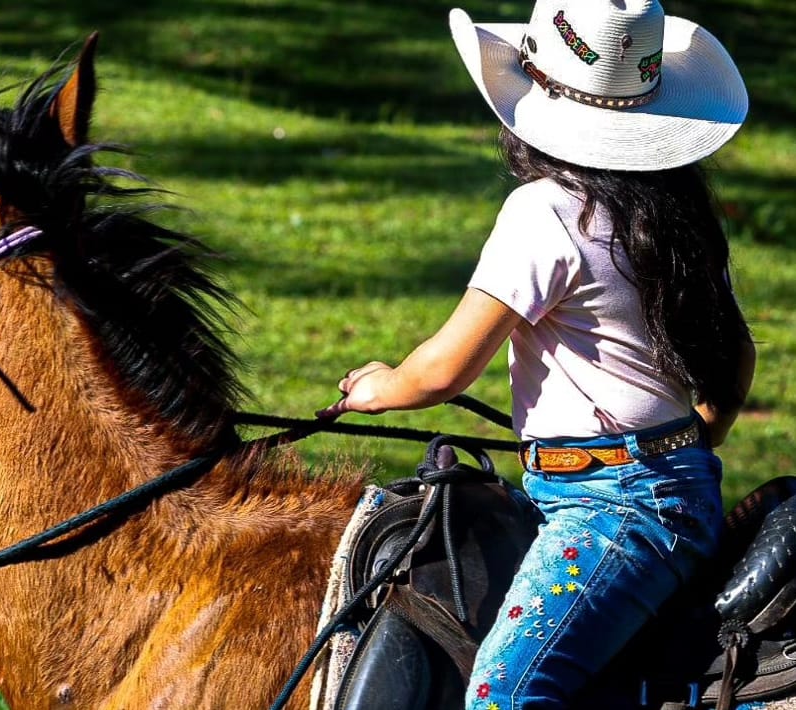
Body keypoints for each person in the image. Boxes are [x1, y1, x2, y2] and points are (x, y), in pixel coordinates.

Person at [317, 0, 757, 707]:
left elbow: (447, 369)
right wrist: (686, 443)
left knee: (504, 694)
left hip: (609, 511)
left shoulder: (546, 211)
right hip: (677, 486)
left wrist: (378, 386)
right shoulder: (676, 212)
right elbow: (735, 360)